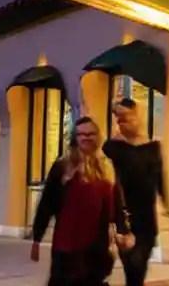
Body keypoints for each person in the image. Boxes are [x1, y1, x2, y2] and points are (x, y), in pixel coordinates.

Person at [31, 116, 134, 286]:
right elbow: (46, 204)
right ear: (75, 138)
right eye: (81, 134)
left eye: (91, 134)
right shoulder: (62, 168)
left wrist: (124, 231)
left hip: (96, 250)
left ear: (98, 137)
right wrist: (37, 237)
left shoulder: (107, 169)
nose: (86, 137)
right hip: (66, 248)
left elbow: (117, 203)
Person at [104, 98, 169, 286]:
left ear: (137, 114)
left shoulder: (153, 147)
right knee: (133, 265)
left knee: (139, 270)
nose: (122, 122)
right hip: (124, 216)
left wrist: (167, 203)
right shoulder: (112, 148)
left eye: (125, 117)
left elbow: (159, 179)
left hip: (147, 219)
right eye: (118, 119)